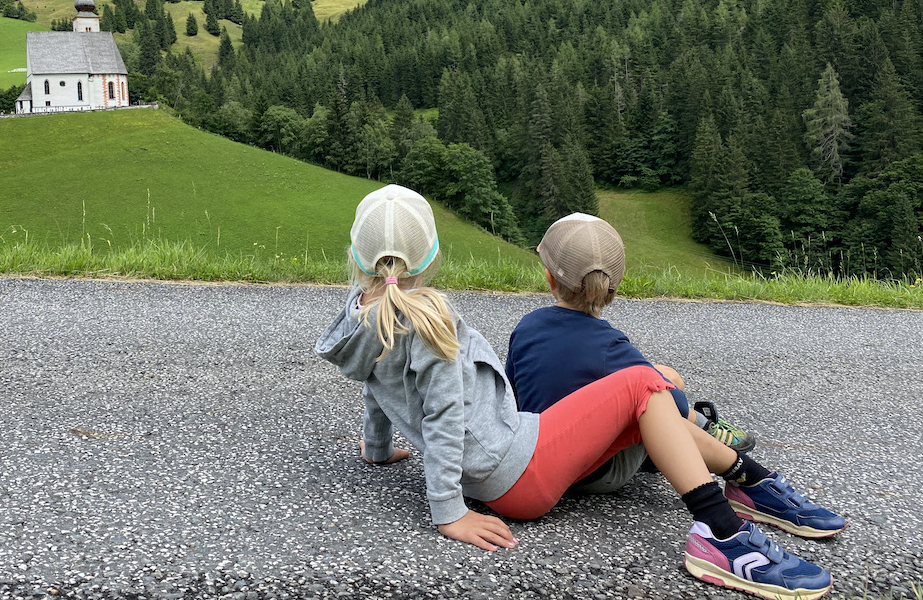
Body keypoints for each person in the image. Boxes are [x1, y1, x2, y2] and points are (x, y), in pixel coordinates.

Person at [316, 185, 844, 600]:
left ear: (358, 258)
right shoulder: (430, 320)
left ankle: (748, 480)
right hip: (516, 470)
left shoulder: (364, 316)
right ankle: (723, 536)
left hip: (511, 455)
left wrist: (378, 450)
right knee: (645, 385)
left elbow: (378, 388)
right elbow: (442, 415)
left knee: (644, 405)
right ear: (431, 255)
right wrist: (448, 511)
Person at [505, 212, 755, 497]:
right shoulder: (609, 345)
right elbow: (670, 402)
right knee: (669, 382)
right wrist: (689, 415)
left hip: (538, 453)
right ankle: (706, 430)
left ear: (550, 278)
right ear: (614, 285)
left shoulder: (526, 327)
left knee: (655, 376)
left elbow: (512, 391)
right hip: (594, 475)